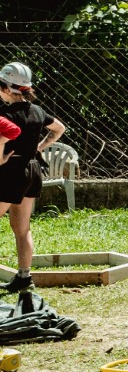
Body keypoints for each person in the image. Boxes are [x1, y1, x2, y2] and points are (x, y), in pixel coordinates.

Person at [0, 63, 66, 295]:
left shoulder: (4, 115)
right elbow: (59, 128)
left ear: (7, 88)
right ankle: (24, 277)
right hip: (33, 169)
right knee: (22, 227)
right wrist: (40, 146)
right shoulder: (37, 111)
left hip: (10, 171)